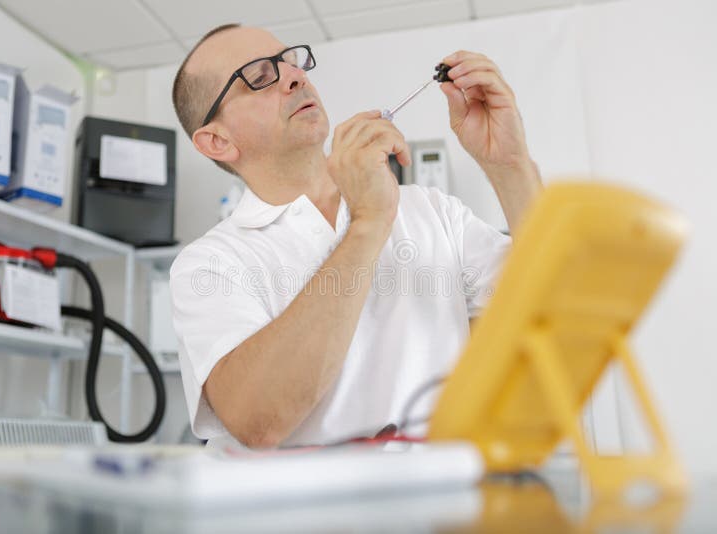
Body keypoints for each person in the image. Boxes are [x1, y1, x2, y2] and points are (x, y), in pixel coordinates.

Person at [169, 24, 543, 449]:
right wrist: (368, 221)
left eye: (291, 60)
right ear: (217, 141)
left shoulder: (431, 210)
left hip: (449, 508)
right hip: (306, 516)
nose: (295, 76)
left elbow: (553, 304)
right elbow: (257, 420)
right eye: (258, 76)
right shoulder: (211, 263)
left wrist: (510, 164)